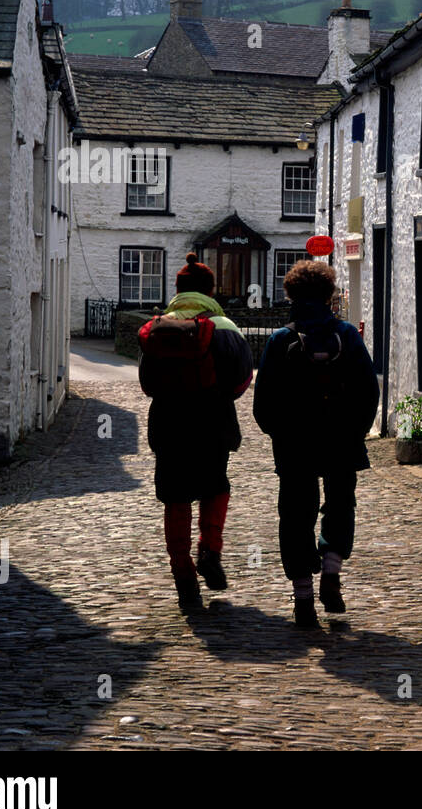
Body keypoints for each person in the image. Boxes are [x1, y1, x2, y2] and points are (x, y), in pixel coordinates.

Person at [253, 259, 379, 629]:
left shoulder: (281, 340)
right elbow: (369, 392)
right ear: (329, 295)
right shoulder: (349, 337)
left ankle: (304, 599)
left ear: (291, 294)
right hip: (342, 442)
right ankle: (331, 573)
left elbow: (264, 406)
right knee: (340, 505)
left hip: (295, 447)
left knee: (295, 515)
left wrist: (282, 434)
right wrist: (355, 432)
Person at [138, 252, 253, 610]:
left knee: (174, 497)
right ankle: (210, 550)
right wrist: (217, 397)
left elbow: (147, 384)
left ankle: (182, 573)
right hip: (213, 423)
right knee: (214, 486)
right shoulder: (227, 328)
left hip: (169, 425)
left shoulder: (160, 328)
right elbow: (243, 379)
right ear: (210, 291)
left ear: (178, 290)